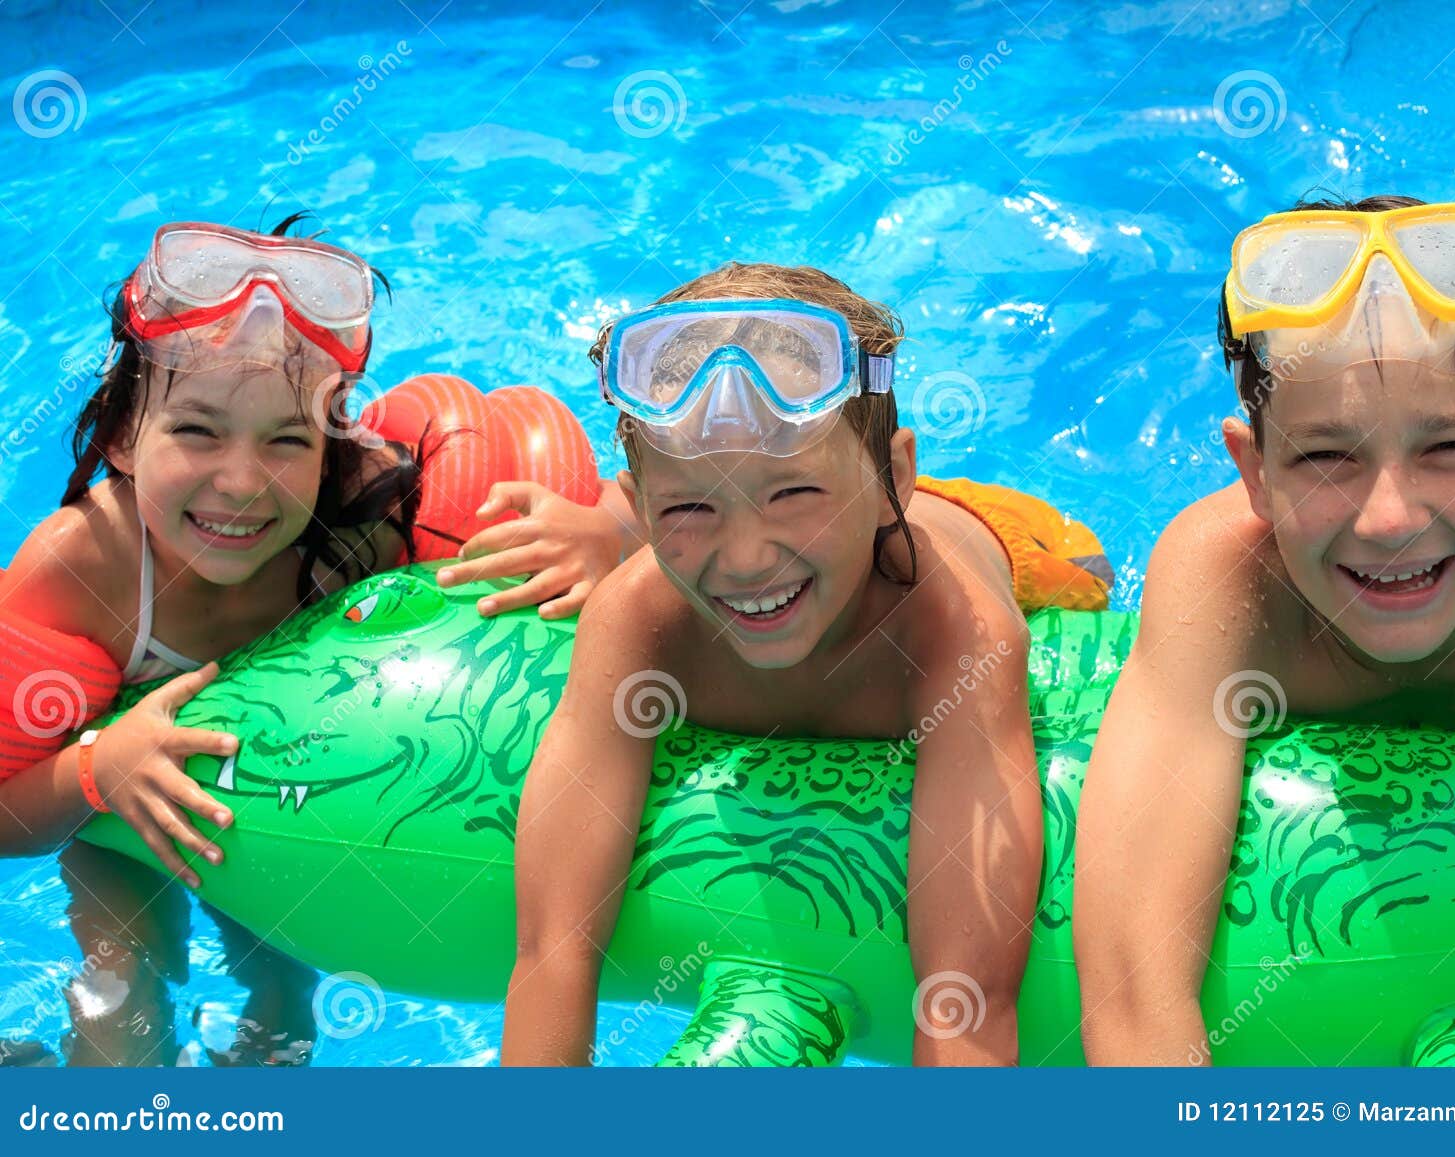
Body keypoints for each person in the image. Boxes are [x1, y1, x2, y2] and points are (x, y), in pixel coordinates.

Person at [0, 217, 629, 1064]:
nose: (241, 480)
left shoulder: (371, 521)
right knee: (125, 997)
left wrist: (605, 537)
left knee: (286, 1010)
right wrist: (95, 766)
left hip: (284, 809)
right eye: (196, 430)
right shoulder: (86, 565)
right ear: (121, 437)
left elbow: (670, 522)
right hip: (123, 811)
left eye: (286, 440)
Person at [501, 263, 1112, 1066]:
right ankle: (641, 513)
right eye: (687, 507)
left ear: (894, 474)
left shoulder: (955, 633)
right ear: (649, 506)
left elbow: (968, 1002)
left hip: (1003, 539)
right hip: (799, 500)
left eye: (793, 495)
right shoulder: (640, 621)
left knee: (1091, 573)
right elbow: (553, 949)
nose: (747, 556)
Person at [1073, 196, 1455, 1064]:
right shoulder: (1228, 588)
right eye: (1325, 457)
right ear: (1254, 472)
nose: (1389, 517)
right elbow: (1134, 991)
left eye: (1451, 448)